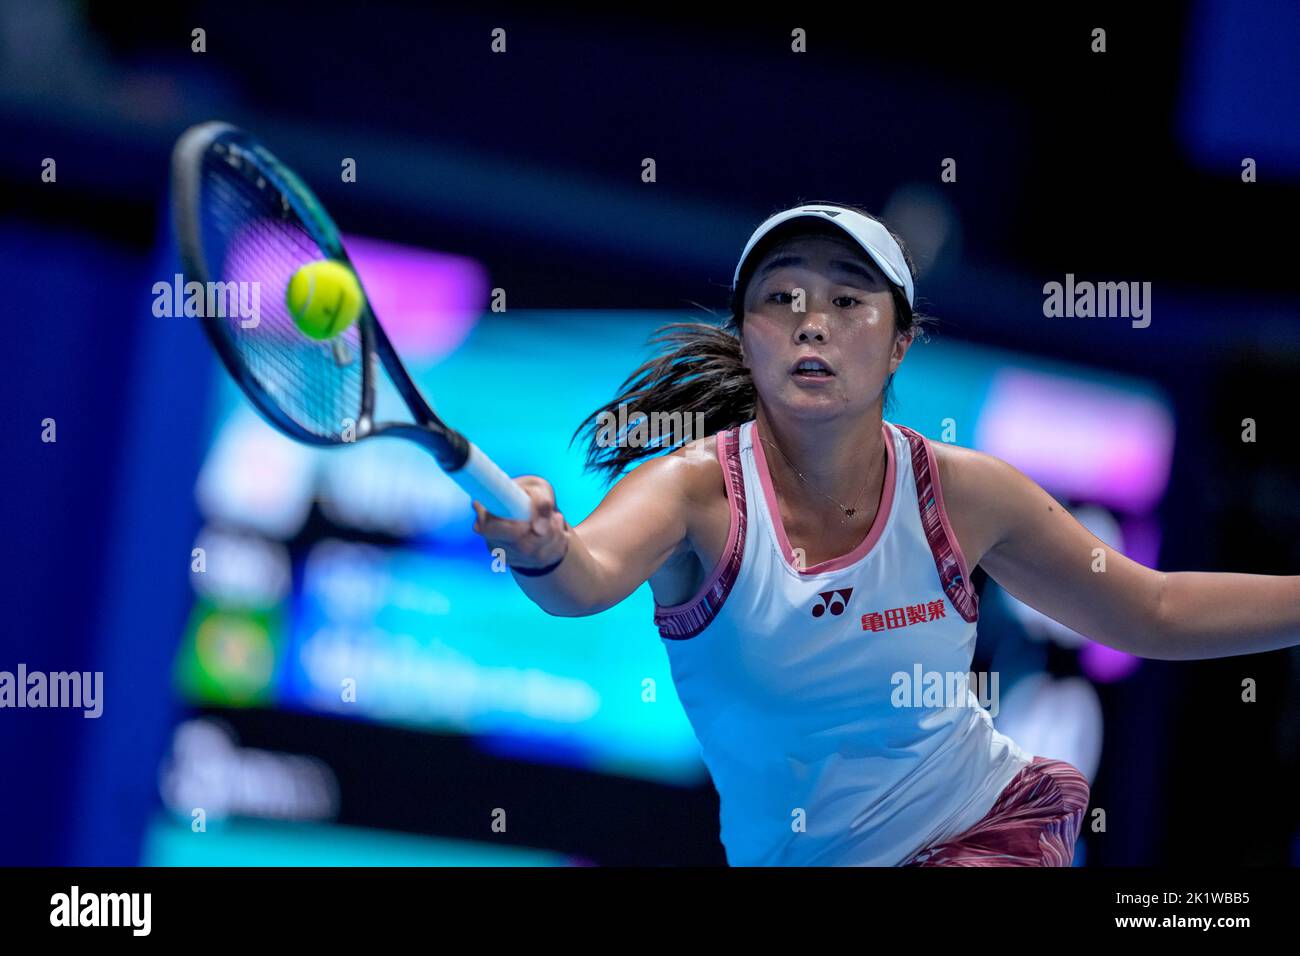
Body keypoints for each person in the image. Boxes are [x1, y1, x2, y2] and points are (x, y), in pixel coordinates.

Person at [472, 202, 1300, 866]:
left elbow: (1148, 610)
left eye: (847, 300)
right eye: (781, 297)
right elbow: (583, 580)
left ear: (900, 342)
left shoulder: (961, 491)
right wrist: (540, 546)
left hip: (981, 829)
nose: (812, 323)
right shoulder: (694, 491)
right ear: (745, 336)